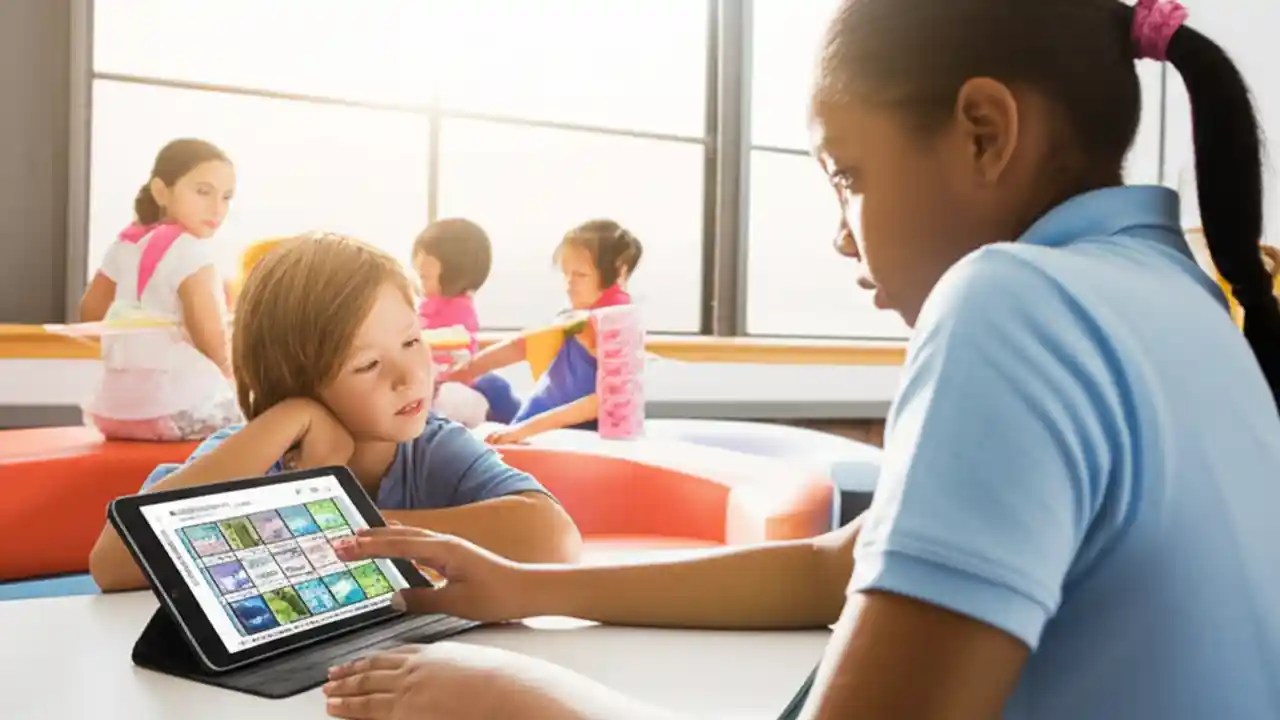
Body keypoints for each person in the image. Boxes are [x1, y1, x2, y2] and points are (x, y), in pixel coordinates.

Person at [320, 0, 1280, 718]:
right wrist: (534, 589)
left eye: (848, 177)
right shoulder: (1182, 305)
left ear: (985, 133)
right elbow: (839, 567)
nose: (841, 237)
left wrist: (516, 693)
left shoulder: (1014, 299)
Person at [88, 234, 581, 593]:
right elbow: (113, 564)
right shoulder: (257, 452)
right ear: (296, 382)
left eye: (412, 340)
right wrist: (289, 418)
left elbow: (554, 539)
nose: (408, 375)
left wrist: (337, 527)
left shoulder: (431, 447)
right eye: (367, 364)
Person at [78, 138, 241, 441]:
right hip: (178, 412)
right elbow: (212, 342)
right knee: (265, 419)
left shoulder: (125, 244)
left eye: (227, 197)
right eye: (203, 192)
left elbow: (90, 313)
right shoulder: (193, 252)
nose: (217, 208)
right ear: (161, 191)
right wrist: (235, 384)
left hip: (113, 414)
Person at [445, 219, 643, 444]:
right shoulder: (577, 318)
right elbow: (523, 346)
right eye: (566, 274)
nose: (569, 284)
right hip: (537, 423)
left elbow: (606, 400)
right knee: (488, 384)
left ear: (619, 272)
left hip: (563, 434)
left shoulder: (616, 323)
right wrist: (468, 369)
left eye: (580, 275)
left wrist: (523, 430)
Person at [411, 218, 499, 428]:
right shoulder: (428, 306)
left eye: (425, 278)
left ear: (453, 275)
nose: (421, 286)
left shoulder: (459, 310)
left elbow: (457, 354)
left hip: (446, 387)